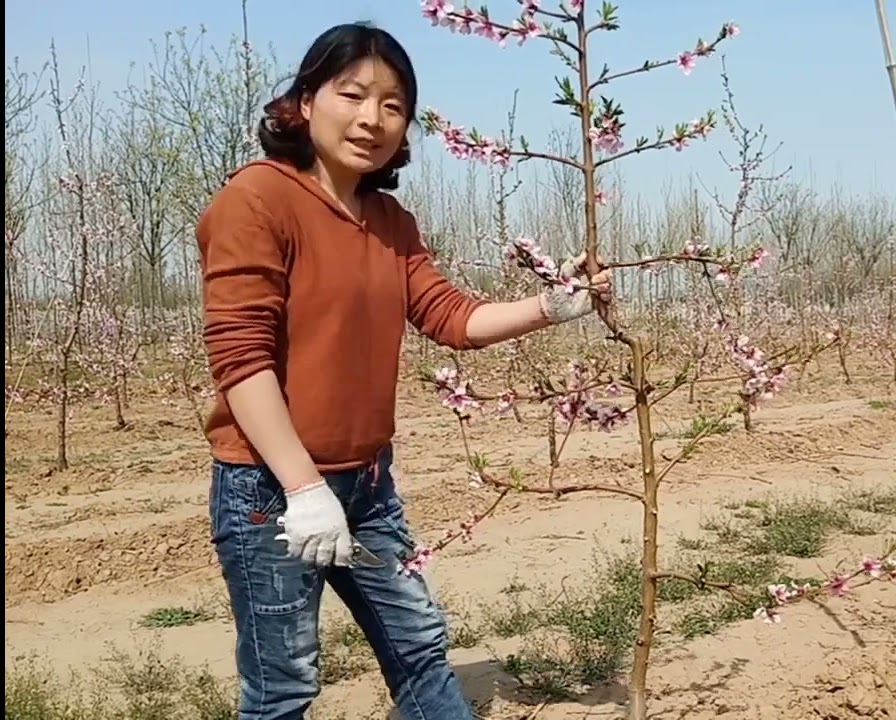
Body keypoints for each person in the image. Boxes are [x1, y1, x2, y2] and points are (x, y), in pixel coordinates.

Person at [196, 21, 612, 720]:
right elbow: (241, 359)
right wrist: (303, 487)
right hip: (270, 491)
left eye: (393, 105)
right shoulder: (258, 199)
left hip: (367, 486)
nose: (371, 117)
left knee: (419, 647)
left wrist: (550, 305)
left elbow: (450, 317)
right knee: (284, 685)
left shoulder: (390, 221)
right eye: (352, 93)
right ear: (303, 102)